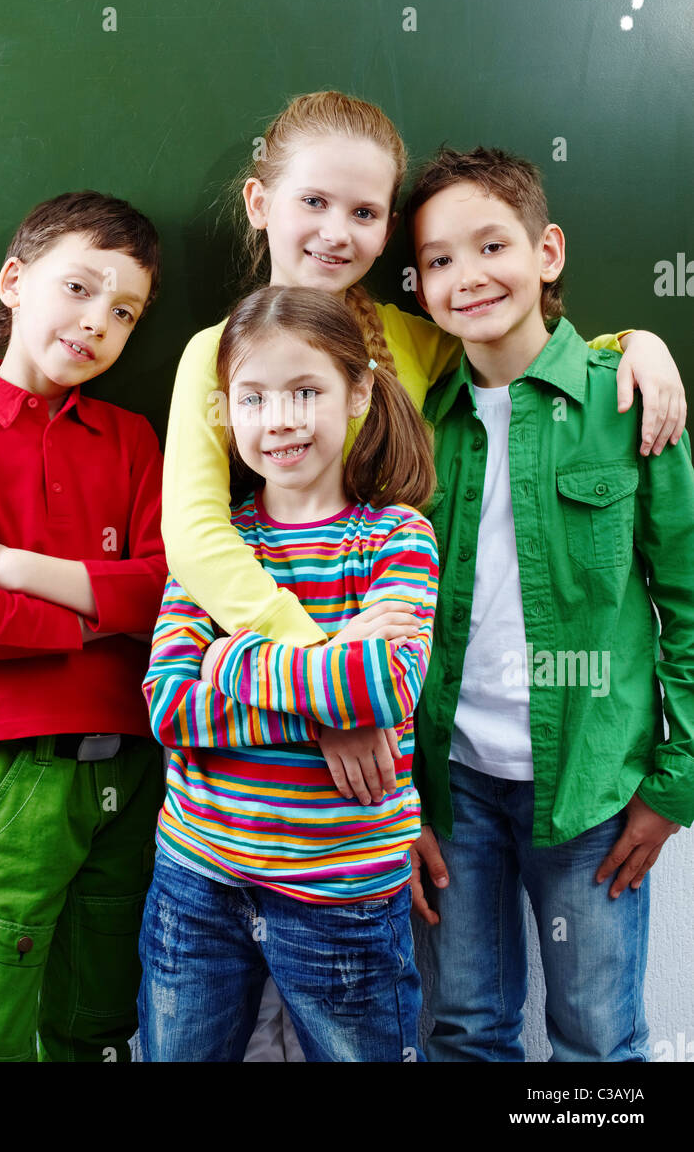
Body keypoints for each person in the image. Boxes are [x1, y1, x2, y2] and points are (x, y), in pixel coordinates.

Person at [159, 89, 687, 1060]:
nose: (335, 231)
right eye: (313, 202)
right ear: (257, 203)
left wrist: (635, 345)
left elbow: (521, 350)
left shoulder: (407, 340)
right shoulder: (212, 357)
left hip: (375, 781)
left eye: (364, 213)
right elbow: (193, 539)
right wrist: (330, 682)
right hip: (255, 772)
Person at [404, 146, 694, 1062]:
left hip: (595, 792)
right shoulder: (417, 417)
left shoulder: (627, 395)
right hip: (451, 788)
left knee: (599, 1039)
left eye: (492, 245)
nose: (468, 276)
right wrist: (401, 797)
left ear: (548, 252)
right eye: (439, 261)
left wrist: (674, 784)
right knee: (462, 1030)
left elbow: (688, 600)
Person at [138, 285, 438, 1062]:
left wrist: (228, 656)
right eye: (254, 398)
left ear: (359, 390)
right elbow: (169, 709)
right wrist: (329, 669)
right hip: (197, 883)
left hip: (342, 896)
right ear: (226, 410)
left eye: (307, 392)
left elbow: (384, 690)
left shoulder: (396, 537)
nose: (280, 420)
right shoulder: (218, 550)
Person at [0, 191, 167, 1062]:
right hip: (10, 769)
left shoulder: (132, 438)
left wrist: (22, 570)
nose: (97, 322)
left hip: (135, 767)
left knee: (99, 1027)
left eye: (123, 311)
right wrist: (103, 607)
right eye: (79, 288)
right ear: (16, 282)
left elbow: (170, 590)